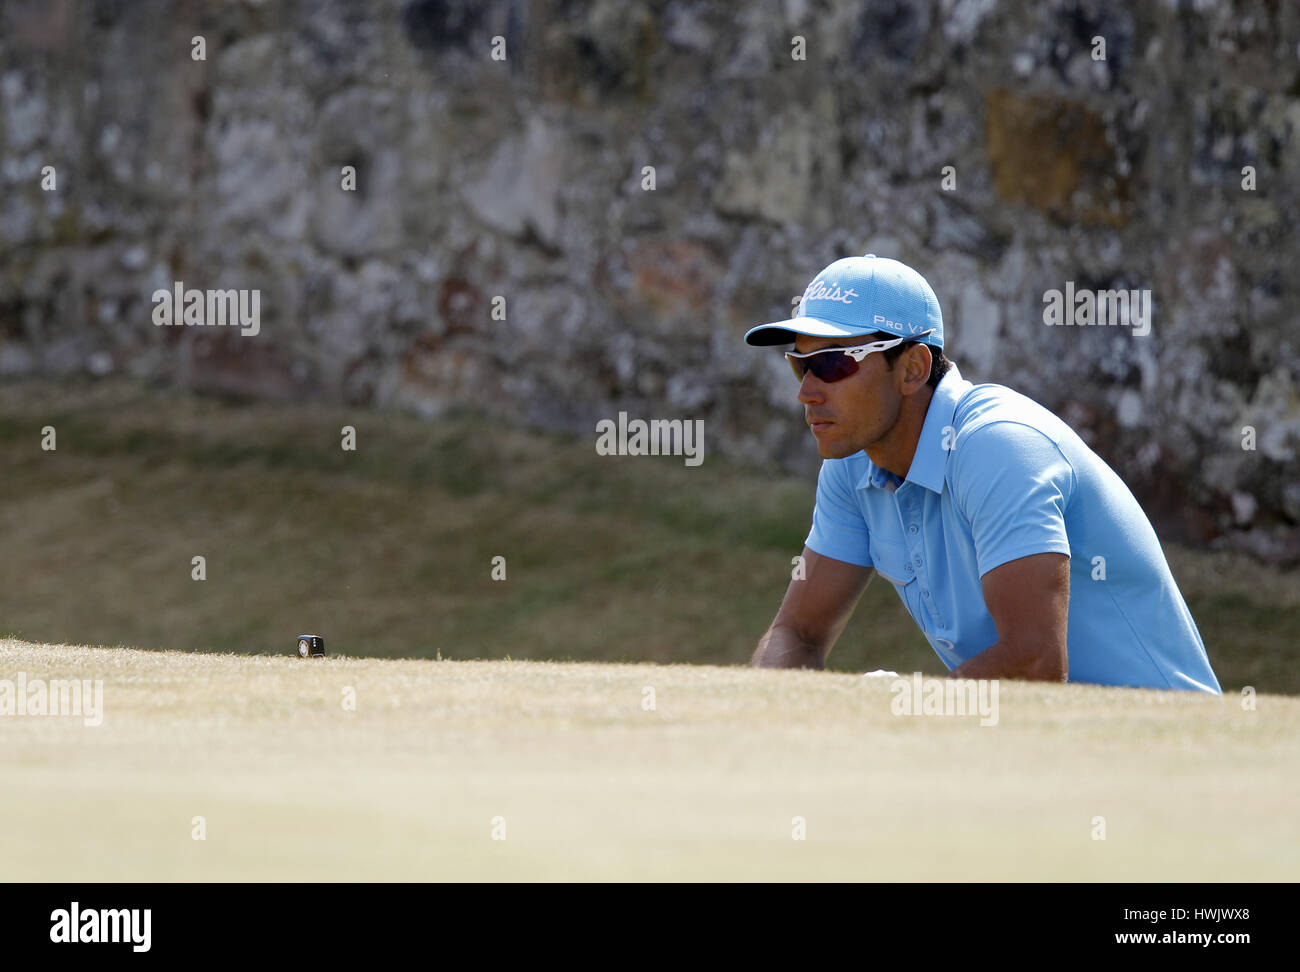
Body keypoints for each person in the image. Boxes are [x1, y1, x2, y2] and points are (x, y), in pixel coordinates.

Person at [744, 253, 1221, 693]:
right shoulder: (852, 463)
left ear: (912, 369)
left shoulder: (998, 445)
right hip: (1047, 756)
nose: (807, 391)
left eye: (831, 363)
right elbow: (797, 633)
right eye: (799, 364)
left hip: (1173, 766)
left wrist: (906, 706)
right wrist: (773, 717)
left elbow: (1035, 662)